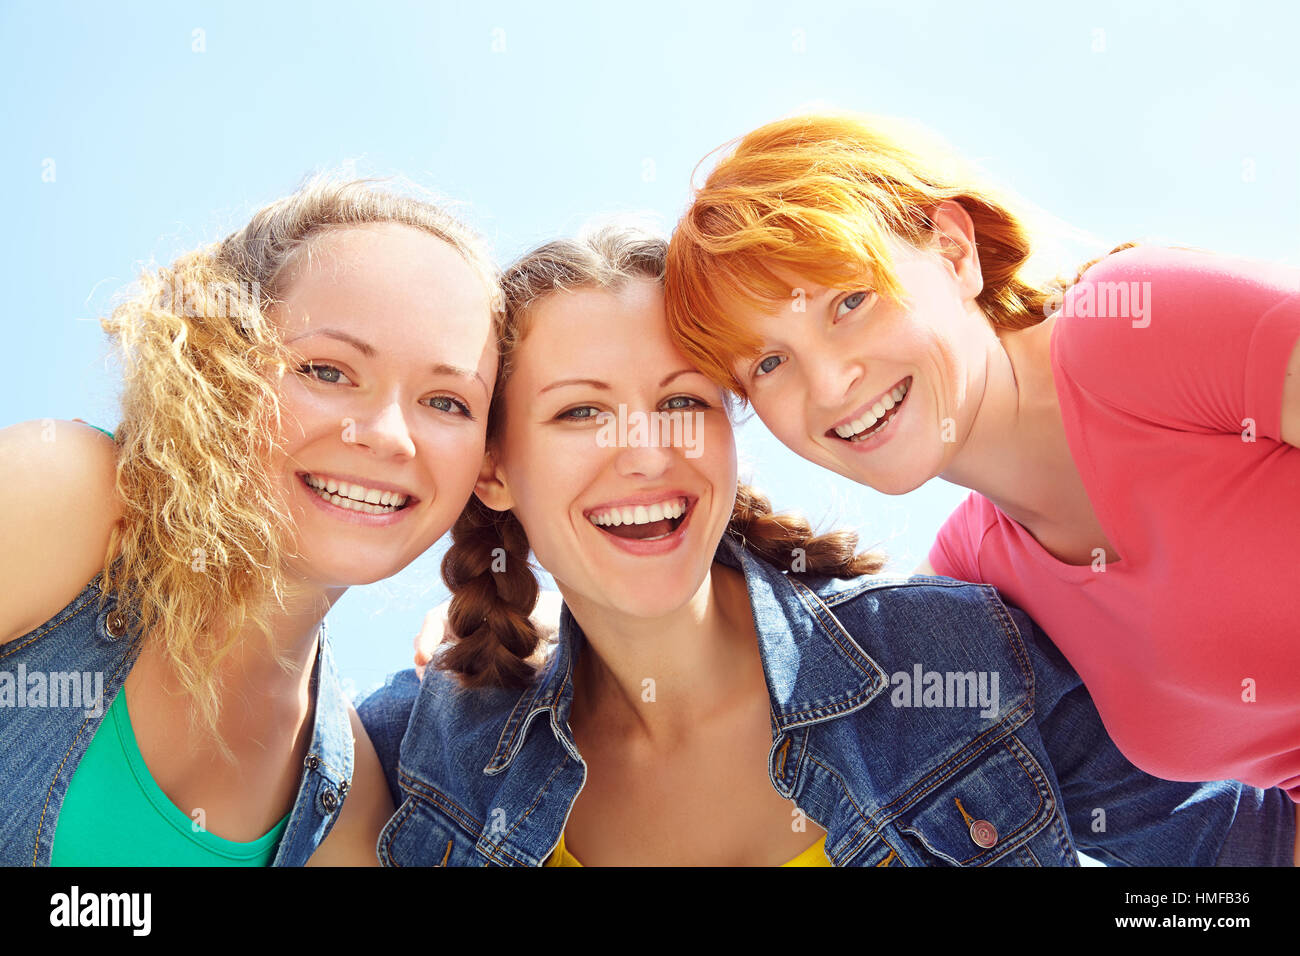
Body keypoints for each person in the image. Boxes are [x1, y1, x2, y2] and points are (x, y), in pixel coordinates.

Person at [359, 225, 1296, 866]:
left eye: (684, 401)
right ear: (493, 472)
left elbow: (1234, 863)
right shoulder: (425, 748)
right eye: (578, 413)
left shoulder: (957, 661)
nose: (646, 453)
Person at [661, 111, 1300, 806]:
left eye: (849, 301)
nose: (828, 384)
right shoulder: (974, 576)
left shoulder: (1136, 323)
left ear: (953, 250)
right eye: (770, 362)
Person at [0, 177, 501, 865]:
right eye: (328, 370)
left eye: (447, 402)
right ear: (220, 365)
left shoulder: (347, 804)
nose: (389, 436)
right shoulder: (65, 498)